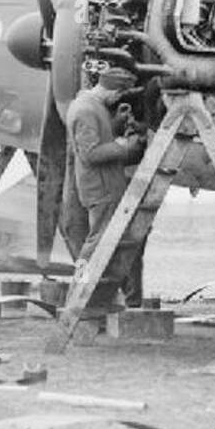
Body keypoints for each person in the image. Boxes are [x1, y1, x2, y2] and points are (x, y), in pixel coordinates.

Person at [66, 67, 147, 313]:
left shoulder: (90, 106)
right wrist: (125, 146)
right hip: (100, 189)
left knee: (99, 242)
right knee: (94, 244)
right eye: (120, 95)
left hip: (105, 185)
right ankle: (77, 291)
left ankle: (96, 296)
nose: (119, 101)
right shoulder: (85, 110)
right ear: (114, 91)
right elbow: (90, 153)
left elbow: (97, 137)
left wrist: (116, 123)